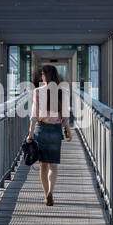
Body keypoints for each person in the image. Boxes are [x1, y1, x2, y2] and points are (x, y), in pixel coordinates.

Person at [26, 64, 72, 206]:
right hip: (55, 131)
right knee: (53, 166)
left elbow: (34, 115)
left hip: (42, 129)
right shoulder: (62, 91)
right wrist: (68, 131)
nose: (41, 76)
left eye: (42, 74)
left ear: (45, 75)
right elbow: (65, 115)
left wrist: (30, 134)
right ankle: (51, 192)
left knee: (43, 165)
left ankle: (46, 195)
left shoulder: (38, 91)